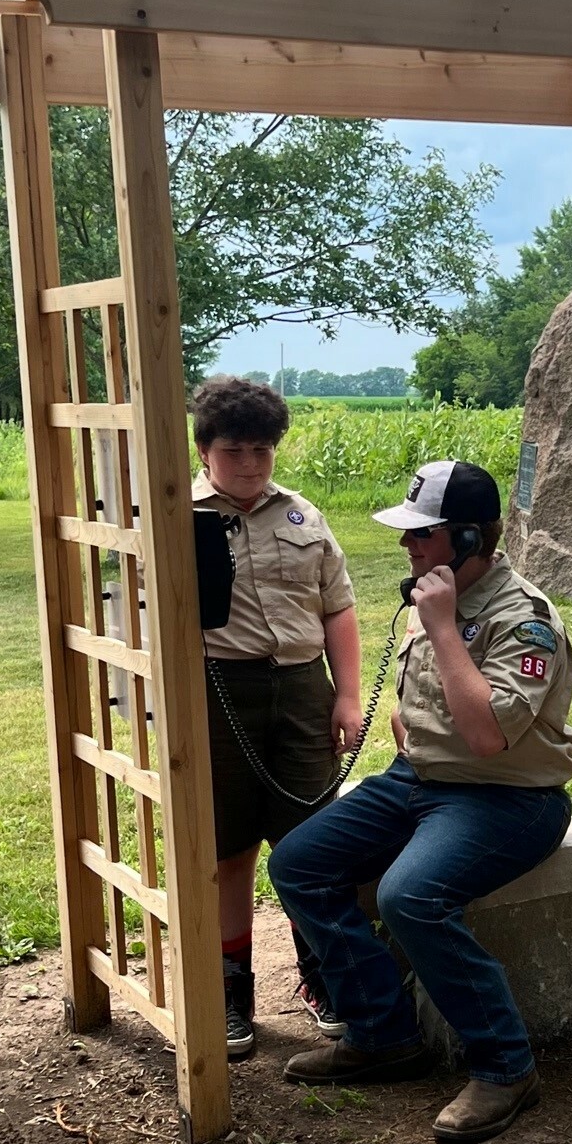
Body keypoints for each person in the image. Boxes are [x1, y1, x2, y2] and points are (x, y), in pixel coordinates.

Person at [268, 459, 572, 1144]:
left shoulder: (523, 620)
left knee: (410, 896)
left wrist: (439, 627)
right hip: (420, 780)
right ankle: (383, 1035)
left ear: (467, 539)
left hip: (508, 798)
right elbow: (416, 716)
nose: (407, 546)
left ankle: (505, 1066)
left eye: (422, 535)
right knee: (298, 863)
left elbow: (490, 737)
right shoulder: (439, 599)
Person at [190, 376, 363, 1060]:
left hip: (300, 692)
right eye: (235, 450)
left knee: (311, 848)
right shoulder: (178, 517)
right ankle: (232, 989)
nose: (251, 464)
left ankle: (320, 977)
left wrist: (347, 696)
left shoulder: (304, 518)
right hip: (218, 692)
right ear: (205, 450)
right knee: (227, 849)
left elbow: (337, 609)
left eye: (263, 449)